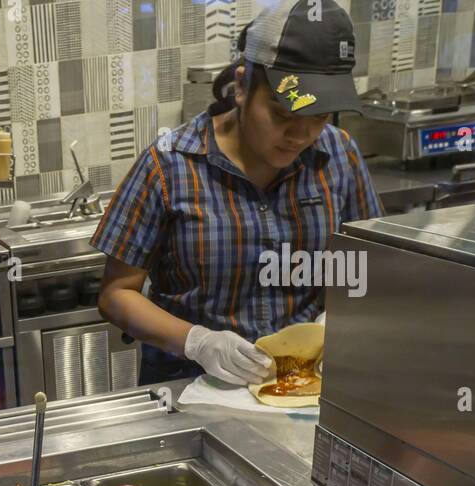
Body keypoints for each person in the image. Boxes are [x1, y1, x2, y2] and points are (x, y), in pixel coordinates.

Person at [91, 0, 382, 387]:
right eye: (283, 115)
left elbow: (368, 268)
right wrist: (197, 342)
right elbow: (115, 295)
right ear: (243, 86)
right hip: (190, 387)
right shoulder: (170, 165)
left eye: (319, 118)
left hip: (303, 385)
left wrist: (343, 316)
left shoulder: (338, 155)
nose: (301, 136)